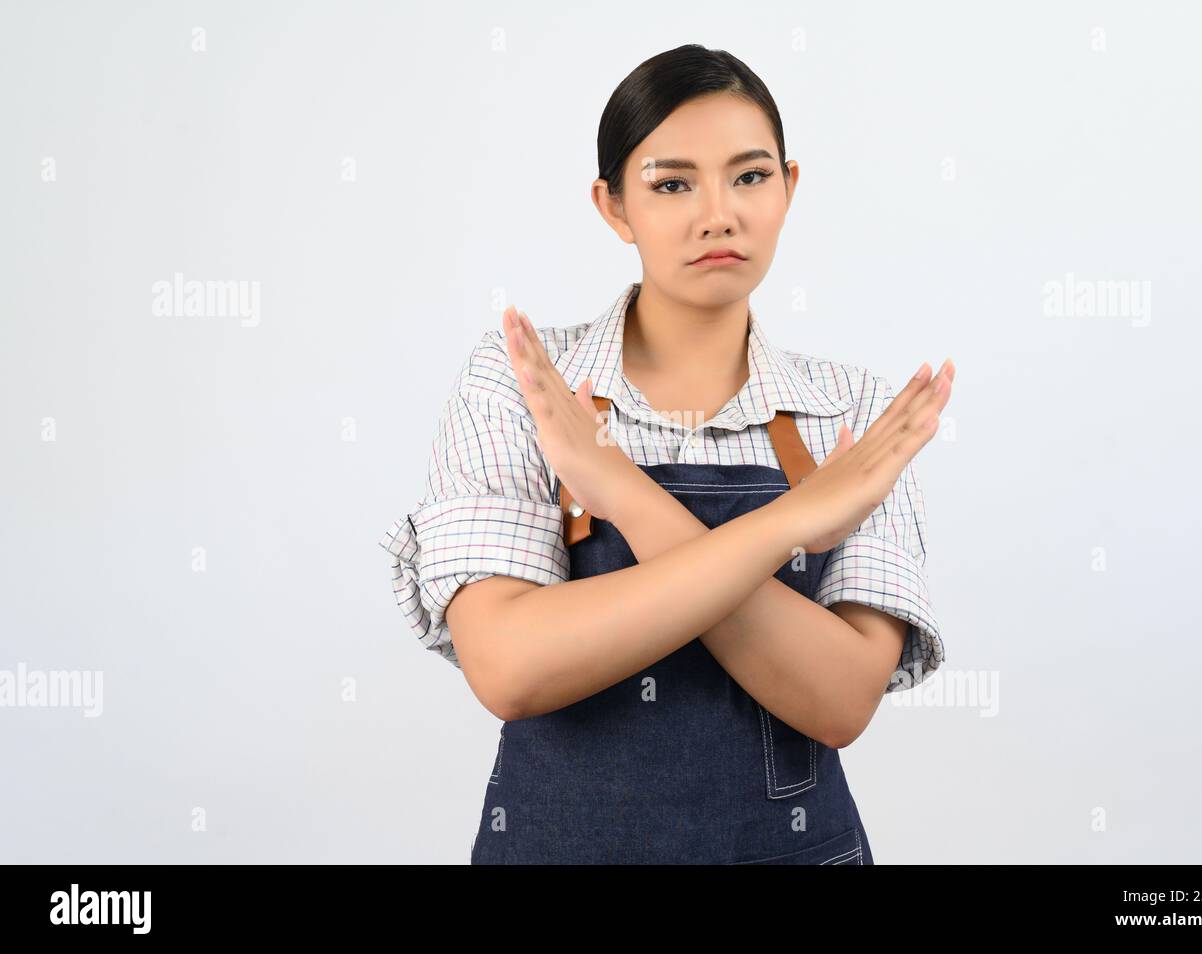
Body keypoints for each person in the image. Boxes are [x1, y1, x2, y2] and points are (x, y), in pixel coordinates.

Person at [378, 44, 955, 865]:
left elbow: (839, 700)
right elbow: (510, 668)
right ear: (613, 207)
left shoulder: (853, 412)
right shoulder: (528, 382)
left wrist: (622, 490)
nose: (718, 213)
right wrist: (793, 521)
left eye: (750, 177)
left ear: (790, 188)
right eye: (672, 183)